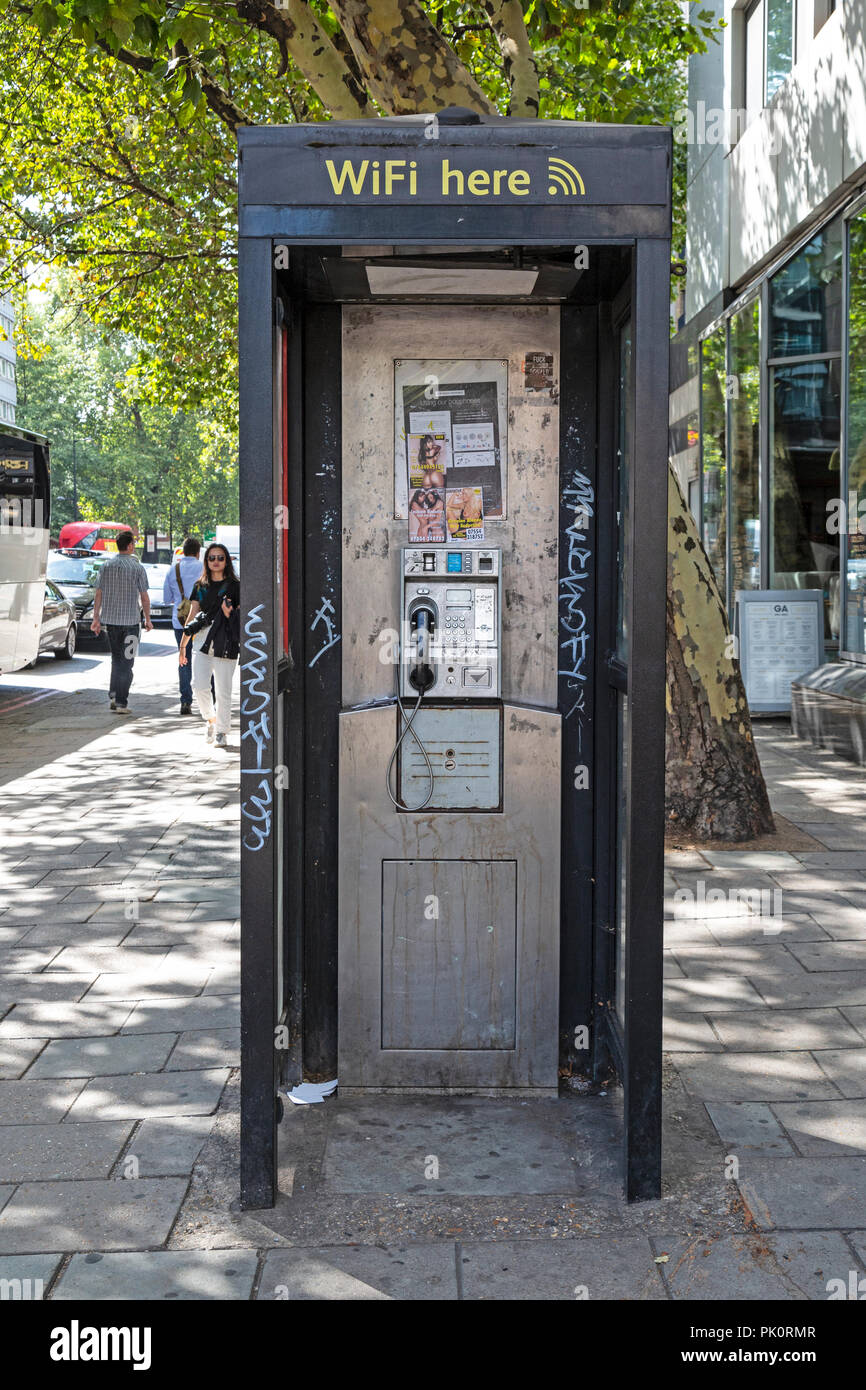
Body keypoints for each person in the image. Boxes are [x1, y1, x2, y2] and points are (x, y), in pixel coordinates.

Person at [178, 543, 240, 748]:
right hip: (202, 639)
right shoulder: (200, 585)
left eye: (220, 558)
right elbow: (192, 614)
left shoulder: (234, 585)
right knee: (199, 685)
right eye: (212, 558)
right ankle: (211, 719)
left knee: (223, 689)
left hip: (226, 640)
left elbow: (240, 617)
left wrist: (230, 612)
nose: (216, 561)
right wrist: (182, 646)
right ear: (206, 561)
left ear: (226, 561)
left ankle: (222, 731)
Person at [90, 529, 152, 712]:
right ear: (130, 545)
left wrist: (96, 618)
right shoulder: (137, 568)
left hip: (110, 621)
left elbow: (98, 593)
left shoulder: (105, 566)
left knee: (116, 658)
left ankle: (114, 694)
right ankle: (121, 701)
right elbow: (144, 597)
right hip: (131, 623)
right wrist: (148, 619)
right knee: (128, 661)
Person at [163, 536, 202, 714]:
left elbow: (166, 599)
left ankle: (185, 701)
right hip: (203, 620)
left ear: (183, 551)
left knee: (183, 660)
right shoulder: (204, 568)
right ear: (198, 552)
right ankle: (211, 698)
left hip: (180, 621)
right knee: (206, 659)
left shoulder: (173, 569)